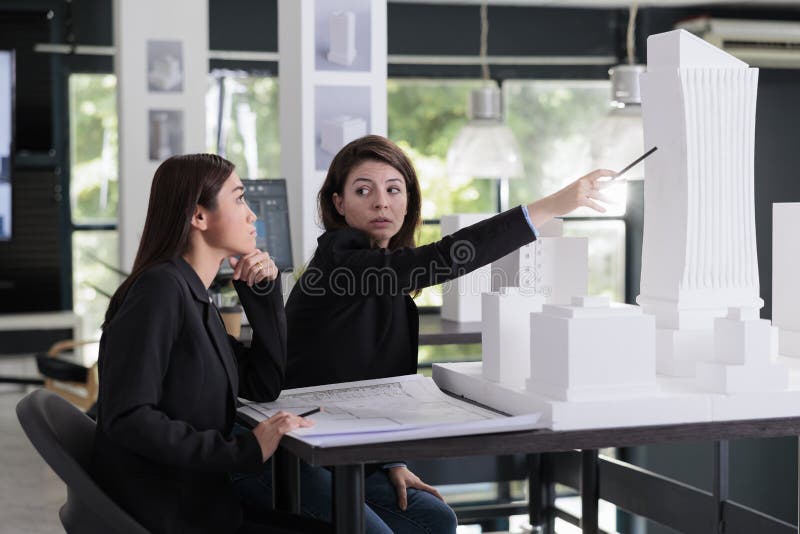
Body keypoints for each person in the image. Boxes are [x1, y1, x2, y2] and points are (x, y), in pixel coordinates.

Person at [235, 135, 614, 534]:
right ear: (339, 204)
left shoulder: (384, 277)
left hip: (334, 446)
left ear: (408, 201)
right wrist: (553, 205)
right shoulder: (339, 261)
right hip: (280, 454)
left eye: (393, 189)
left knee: (432, 519)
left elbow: (368, 381)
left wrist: (391, 462)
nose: (381, 202)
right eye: (363, 190)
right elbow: (443, 258)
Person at [91, 153, 312, 534]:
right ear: (198, 216)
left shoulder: (194, 296)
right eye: (239, 198)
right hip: (172, 515)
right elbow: (128, 416)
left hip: (203, 505)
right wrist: (243, 451)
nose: (251, 215)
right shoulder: (161, 290)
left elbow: (261, 384)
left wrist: (262, 297)